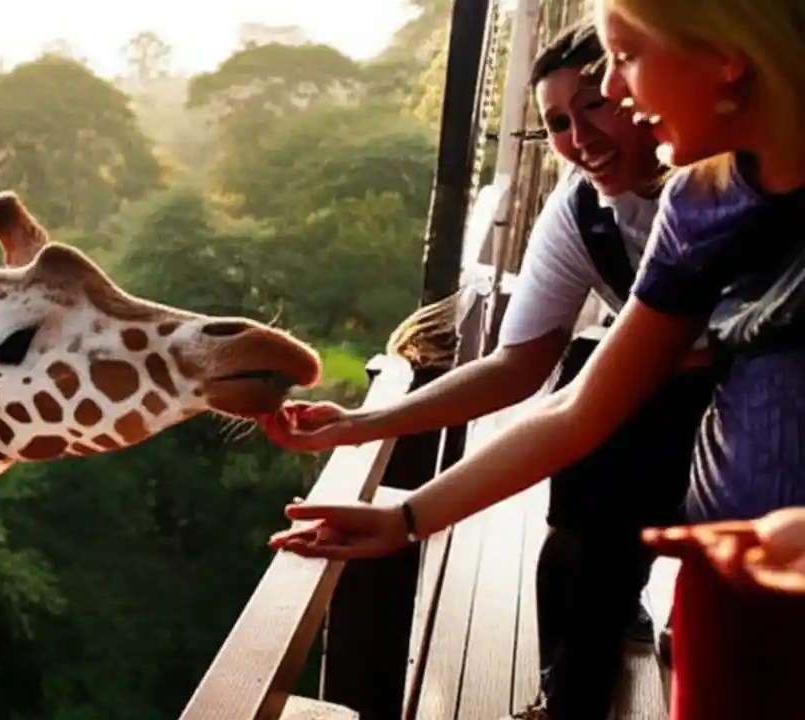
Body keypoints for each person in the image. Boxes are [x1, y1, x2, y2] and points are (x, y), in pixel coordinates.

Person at [266, 0, 805, 717]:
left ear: (727, 54)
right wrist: (405, 517)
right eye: (560, 119)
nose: (614, 91)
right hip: (728, 574)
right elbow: (570, 401)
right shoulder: (700, 207)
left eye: (626, 58)